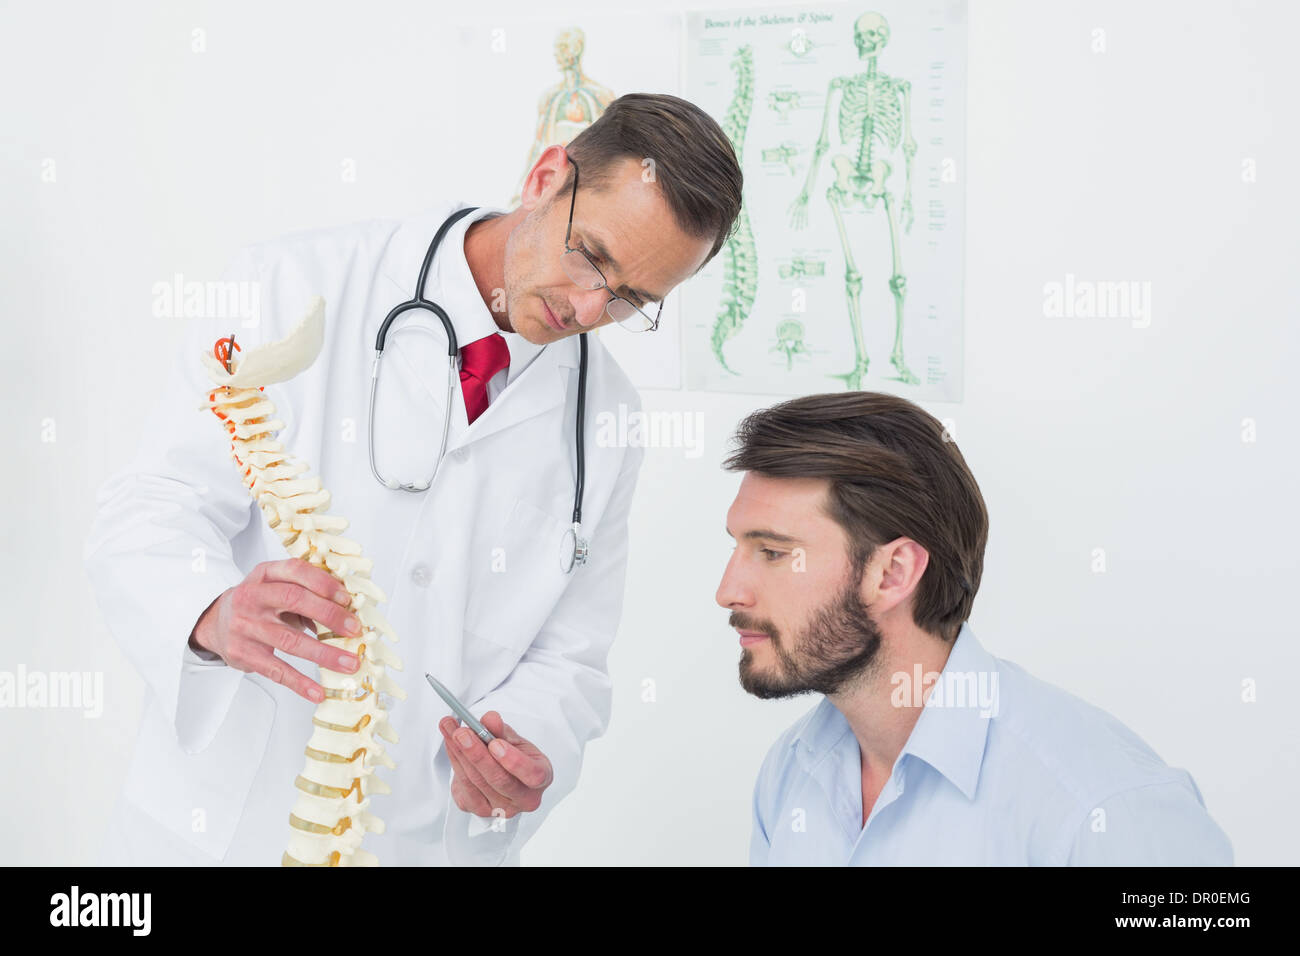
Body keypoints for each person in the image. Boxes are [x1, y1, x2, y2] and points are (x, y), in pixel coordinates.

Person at [83, 93, 742, 866]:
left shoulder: (608, 419)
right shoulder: (293, 284)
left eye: (633, 298)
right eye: (591, 256)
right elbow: (151, 506)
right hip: (223, 827)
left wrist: (524, 749)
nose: (592, 307)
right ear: (544, 178)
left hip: (421, 839)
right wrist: (210, 611)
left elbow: (572, 657)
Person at [715, 392, 1233, 865]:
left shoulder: (1102, 804)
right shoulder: (793, 769)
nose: (728, 590)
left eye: (773, 553)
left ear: (893, 573)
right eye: (737, 547)